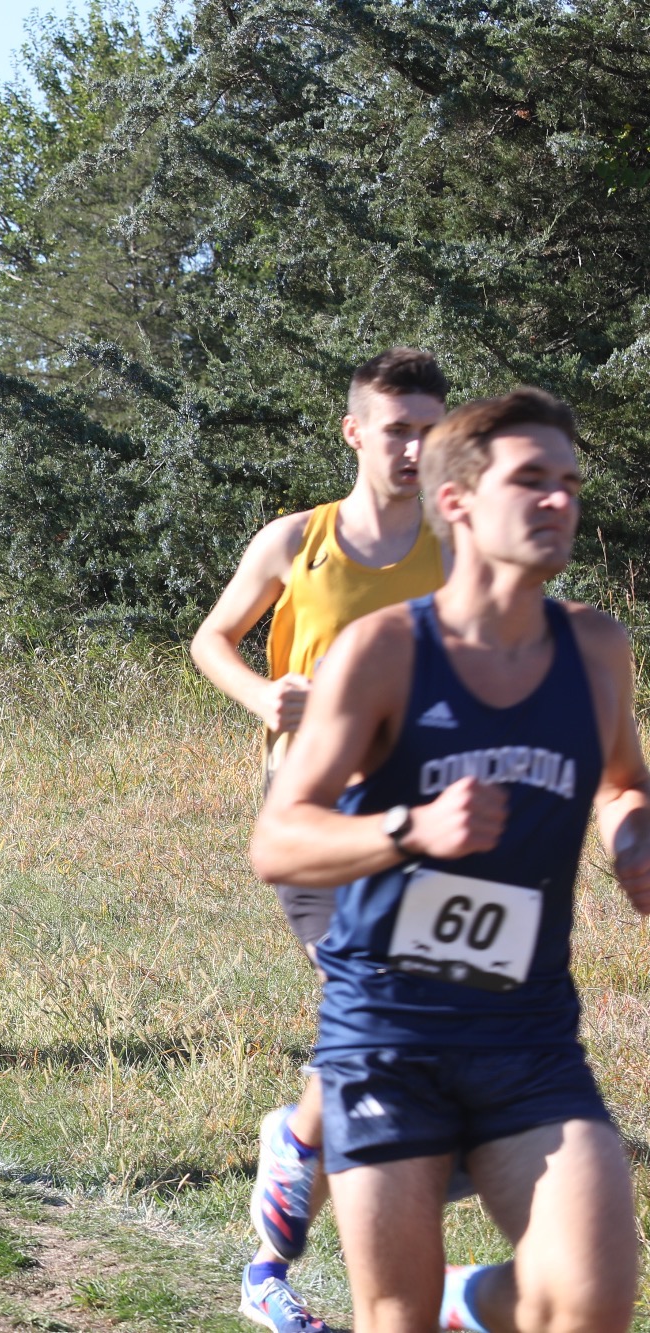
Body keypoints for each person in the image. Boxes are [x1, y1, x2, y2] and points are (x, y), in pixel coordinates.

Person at [250, 387, 647, 1333]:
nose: (558, 501)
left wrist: (633, 837)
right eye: (530, 481)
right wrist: (410, 832)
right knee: (397, 1318)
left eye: (569, 483)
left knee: (590, 1302)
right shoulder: (385, 651)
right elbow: (281, 839)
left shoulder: (595, 647)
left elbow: (623, 781)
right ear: (459, 501)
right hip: (387, 1033)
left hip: (530, 1033)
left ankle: (471, 1297)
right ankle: (441, 1303)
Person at [189, 348, 449, 1333]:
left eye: (429, 429)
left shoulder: (451, 543)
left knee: (398, 1024)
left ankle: (300, 1138)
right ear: (354, 432)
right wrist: (263, 693)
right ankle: (272, 1262)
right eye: (395, 429)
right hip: (308, 818)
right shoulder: (296, 541)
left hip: (415, 820)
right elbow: (210, 636)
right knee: (374, 1001)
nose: (413, 448)